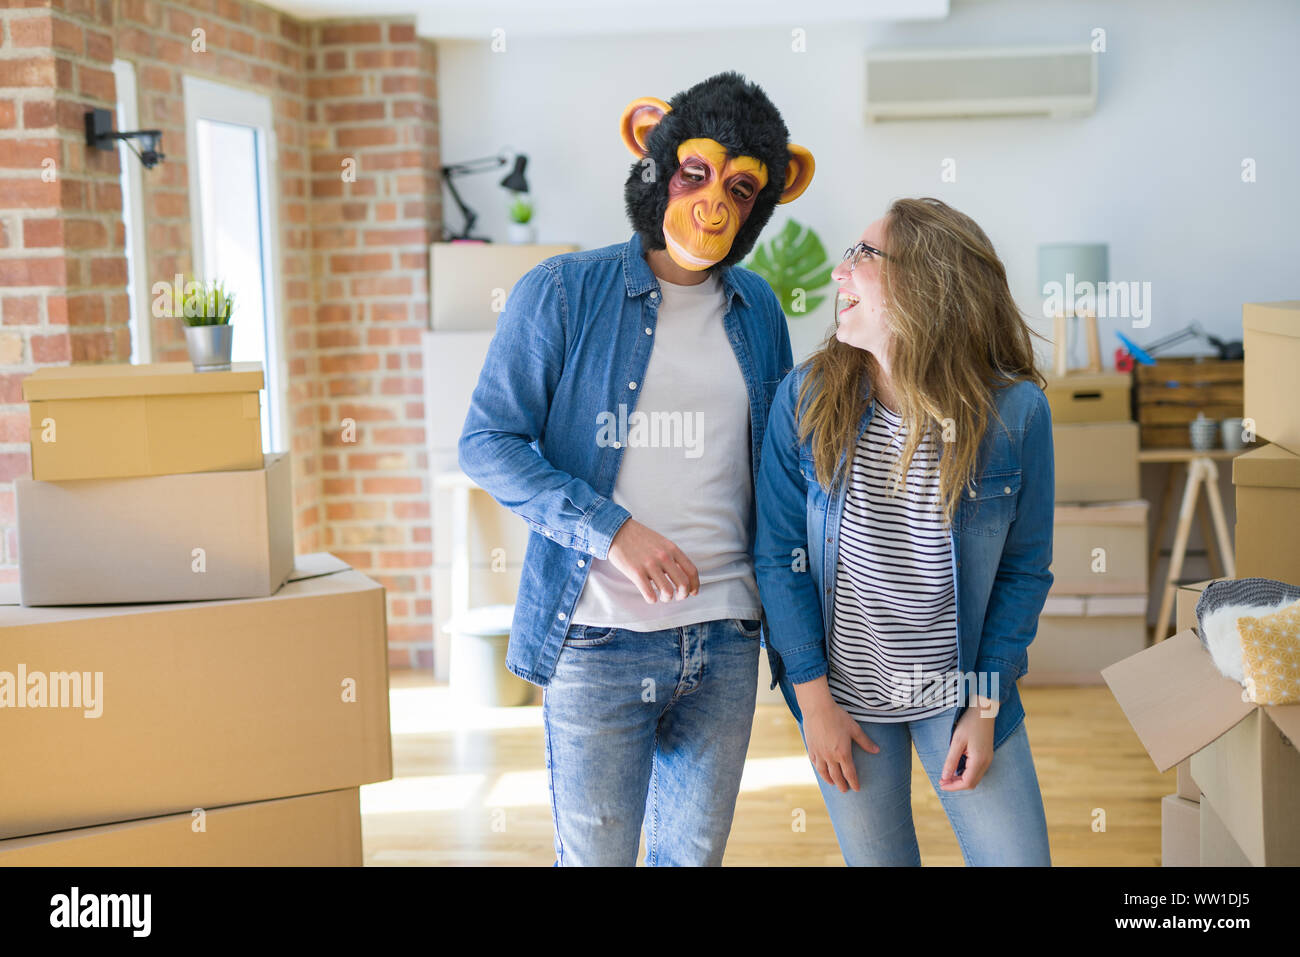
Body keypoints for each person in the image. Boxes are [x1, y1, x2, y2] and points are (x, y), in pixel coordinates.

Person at [459, 72, 814, 865]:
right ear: (655, 155)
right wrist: (612, 531)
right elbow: (488, 441)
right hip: (598, 637)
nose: (715, 201)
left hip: (724, 638)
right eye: (696, 173)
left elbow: (779, 478)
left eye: (743, 187)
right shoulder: (561, 292)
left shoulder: (760, 313)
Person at [754, 197, 1054, 866]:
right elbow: (780, 557)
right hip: (844, 701)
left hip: (961, 696)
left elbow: (1023, 571)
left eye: (862, 256)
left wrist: (983, 705)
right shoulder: (803, 398)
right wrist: (814, 704)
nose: (840, 272)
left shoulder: (1016, 414)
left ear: (929, 280)